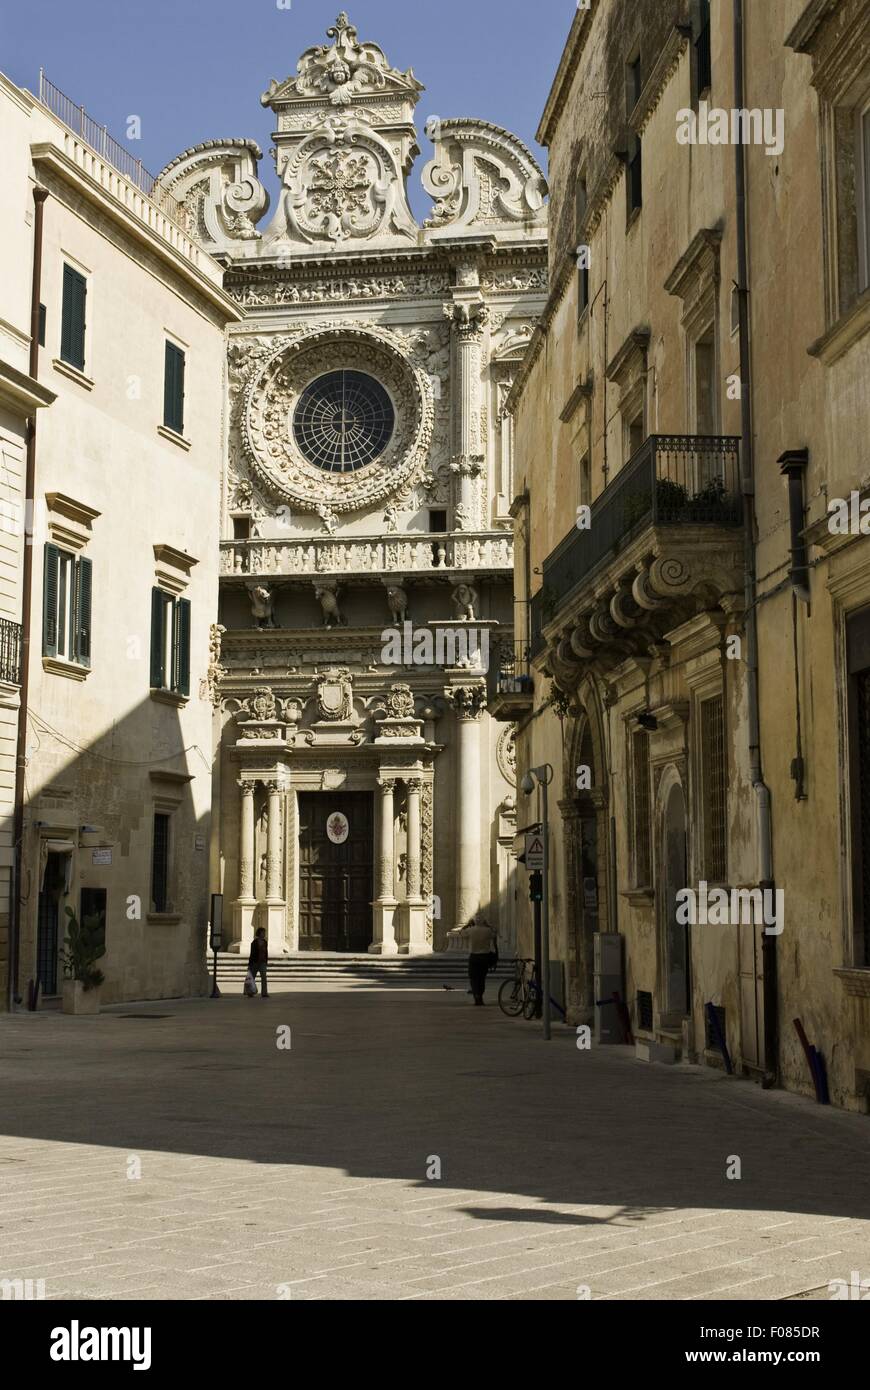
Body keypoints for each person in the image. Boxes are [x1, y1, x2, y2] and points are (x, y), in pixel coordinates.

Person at [461, 916, 497, 1006]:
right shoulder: (488, 931)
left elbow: (461, 933)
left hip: (474, 957)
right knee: (482, 978)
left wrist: (467, 925)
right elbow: (495, 933)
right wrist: (488, 925)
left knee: (473, 978)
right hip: (485, 957)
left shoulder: (470, 930)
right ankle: (480, 996)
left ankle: (476, 996)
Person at [248, 927, 269, 997]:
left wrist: (266, 961)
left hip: (262, 962)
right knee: (252, 977)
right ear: (259, 933)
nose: (264, 934)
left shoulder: (265, 942)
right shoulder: (254, 942)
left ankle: (264, 993)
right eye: (263, 932)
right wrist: (250, 964)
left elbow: (266, 952)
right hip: (255, 962)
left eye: (264, 932)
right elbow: (252, 953)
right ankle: (250, 992)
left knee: (264, 978)